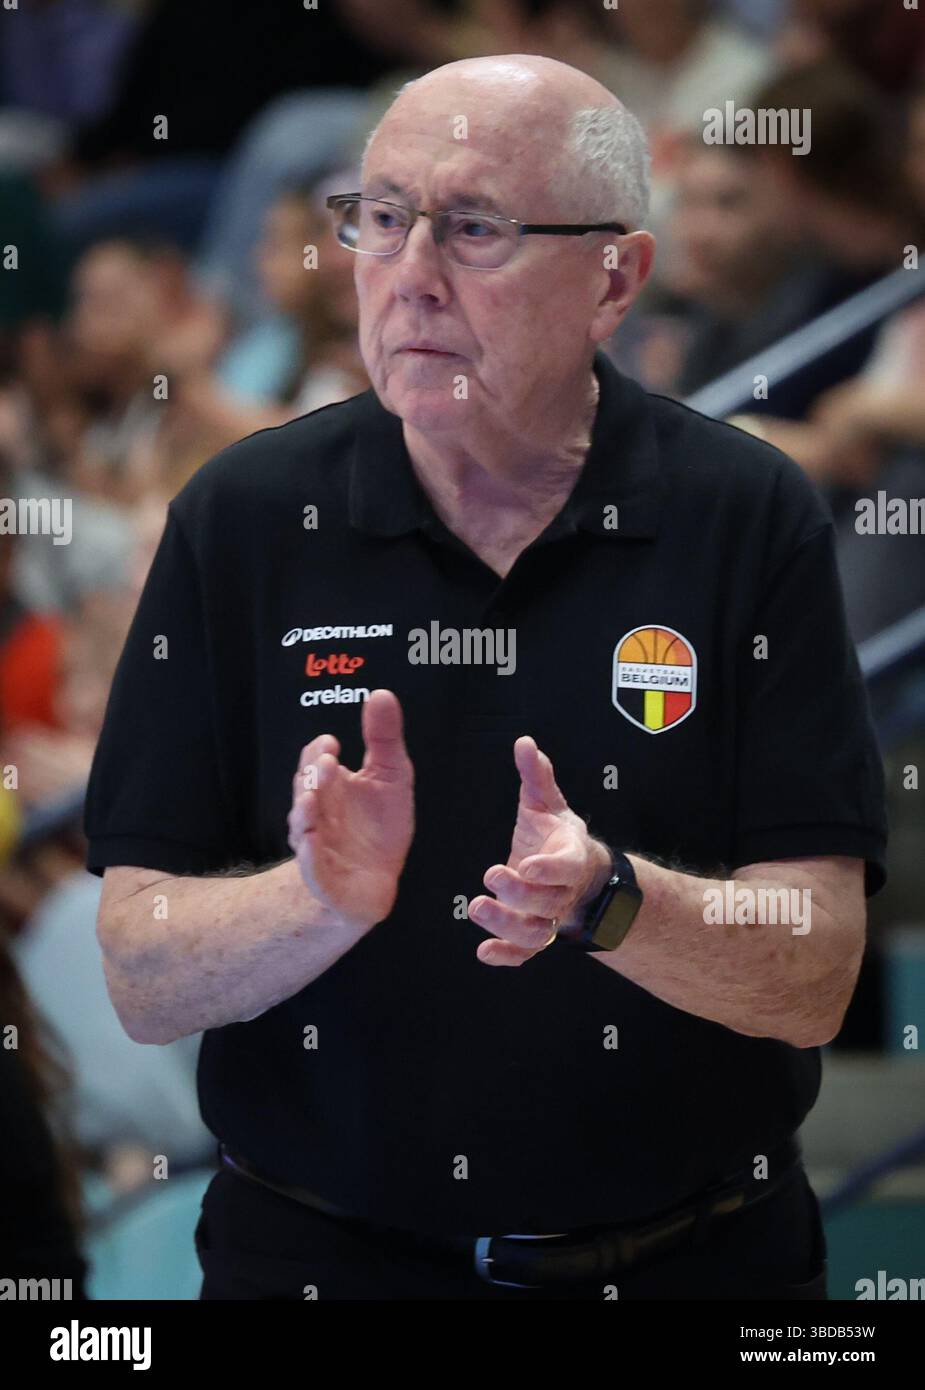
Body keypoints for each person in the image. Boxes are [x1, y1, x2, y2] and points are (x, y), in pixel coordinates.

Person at [85, 55, 887, 1300]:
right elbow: (139, 973)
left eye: (474, 229)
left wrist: (616, 902)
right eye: (382, 217)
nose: (410, 276)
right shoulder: (242, 520)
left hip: (691, 1267)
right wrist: (315, 902)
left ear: (614, 278)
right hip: (321, 1266)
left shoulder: (743, 517)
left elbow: (818, 969)